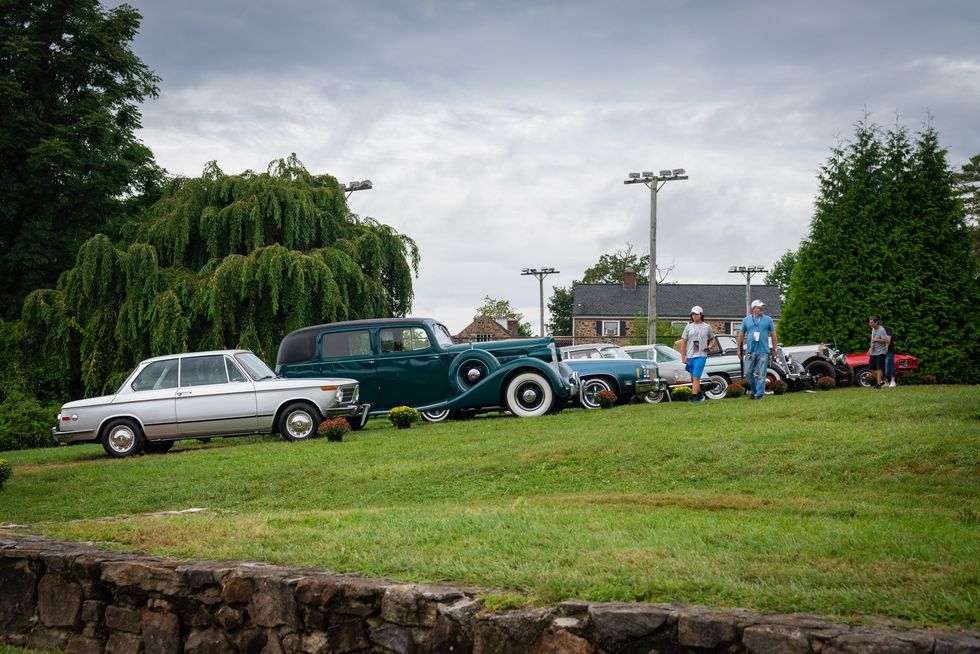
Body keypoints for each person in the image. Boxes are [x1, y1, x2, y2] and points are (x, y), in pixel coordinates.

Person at [736, 300, 778, 400]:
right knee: (748, 373)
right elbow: (741, 335)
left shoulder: (768, 320)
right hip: (750, 351)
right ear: (754, 308)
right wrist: (738, 349)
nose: (762, 309)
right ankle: (754, 392)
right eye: (760, 308)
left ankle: (759, 395)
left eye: (763, 307)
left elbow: (773, 335)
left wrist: (774, 348)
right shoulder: (746, 320)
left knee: (761, 374)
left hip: (763, 351)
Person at [680, 306, 716, 403]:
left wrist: (709, 346)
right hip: (690, 355)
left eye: (696, 314)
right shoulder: (688, 327)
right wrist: (683, 356)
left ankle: (694, 396)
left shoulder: (707, 327)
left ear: (701, 314)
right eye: (693, 314)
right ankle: (700, 395)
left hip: (701, 355)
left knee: (696, 377)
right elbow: (683, 342)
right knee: (693, 378)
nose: (694, 316)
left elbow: (712, 339)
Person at [867, 316, 889, 388]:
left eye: (871, 322)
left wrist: (877, 340)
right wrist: (870, 349)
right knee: (871, 368)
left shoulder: (881, 330)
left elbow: (886, 341)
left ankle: (879, 384)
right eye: (869, 322)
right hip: (873, 352)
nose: (870, 324)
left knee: (879, 368)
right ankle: (882, 382)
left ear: (876, 322)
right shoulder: (873, 329)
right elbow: (872, 340)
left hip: (881, 352)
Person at [882, 323, 896, 387]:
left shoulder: (886, 328)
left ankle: (893, 381)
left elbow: (888, 338)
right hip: (881, 351)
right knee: (883, 366)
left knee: (890, 364)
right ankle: (885, 382)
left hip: (889, 350)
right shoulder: (875, 330)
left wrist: (886, 347)